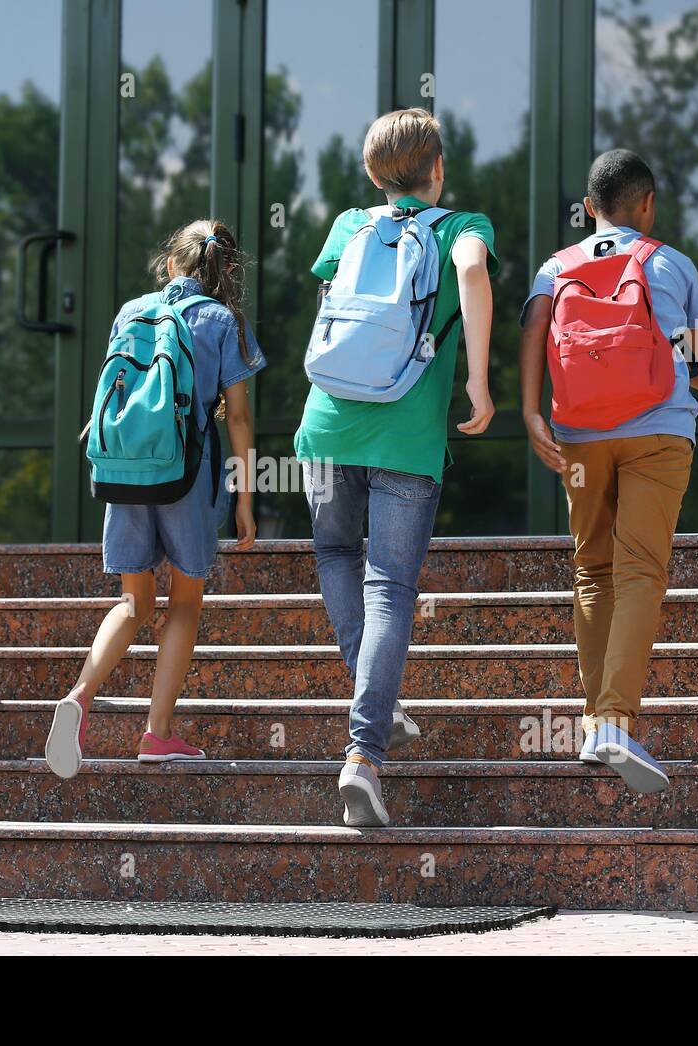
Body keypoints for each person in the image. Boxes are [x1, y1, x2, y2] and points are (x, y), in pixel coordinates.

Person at [295, 108, 497, 826]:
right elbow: (471, 274)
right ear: (437, 169)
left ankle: (372, 708)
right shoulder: (462, 225)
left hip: (323, 426)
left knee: (334, 554)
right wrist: (477, 379)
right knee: (390, 586)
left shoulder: (350, 226)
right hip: (407, 435)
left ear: (374, 176)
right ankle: (363, 752)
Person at [519, 148, 698, 793]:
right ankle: (613, 720)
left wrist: (530, 414)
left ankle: (597, 717)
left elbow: (533, 335)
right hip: (659, 432)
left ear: (589, 207)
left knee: (592, 567)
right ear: (648, 204)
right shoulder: (674, 264)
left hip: (579, 437)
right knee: (640, 569)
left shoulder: (556, 268)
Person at [44, 220, 265, 778]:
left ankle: (80, 693)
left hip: (127, 470)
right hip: (187, 473)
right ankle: (158, 733)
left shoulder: (131, 311)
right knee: (184, 602)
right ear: (225, 274)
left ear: (171, 265)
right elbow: (236, 414)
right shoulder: (223, 321)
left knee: (132, 602)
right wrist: (243, 493)